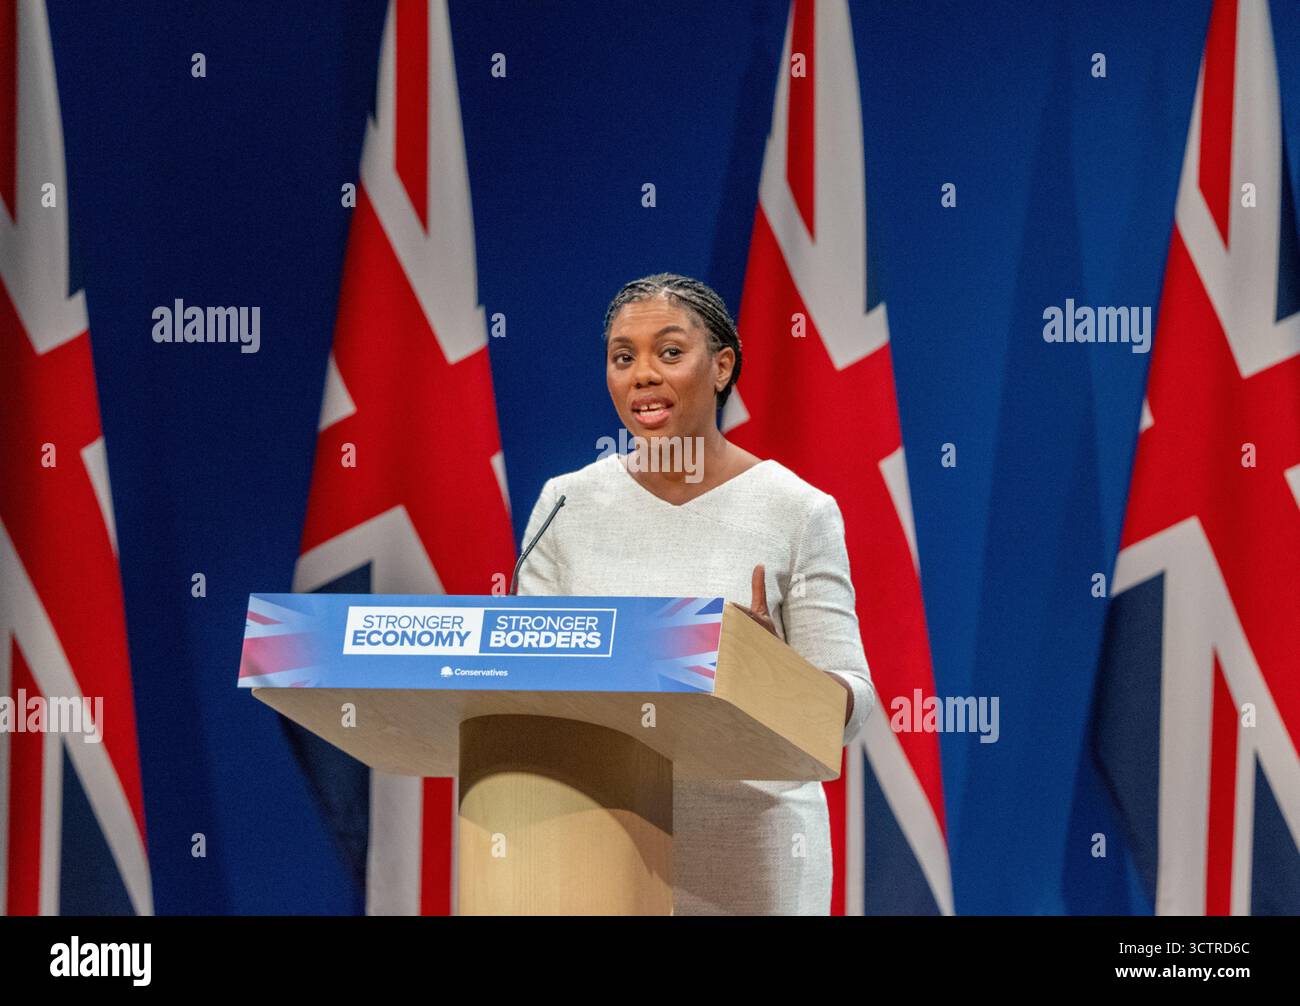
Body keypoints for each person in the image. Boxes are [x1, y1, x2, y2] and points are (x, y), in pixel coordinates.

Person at [514, 272, 876, 915]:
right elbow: (526, 679)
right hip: (595, 846)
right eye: (623, 358)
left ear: (722, 366)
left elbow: (854, 700)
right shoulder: (564, 504)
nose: (643, 375)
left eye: (670, 352)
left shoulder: (798, 511)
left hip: (753, 856)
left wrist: (778, 676)